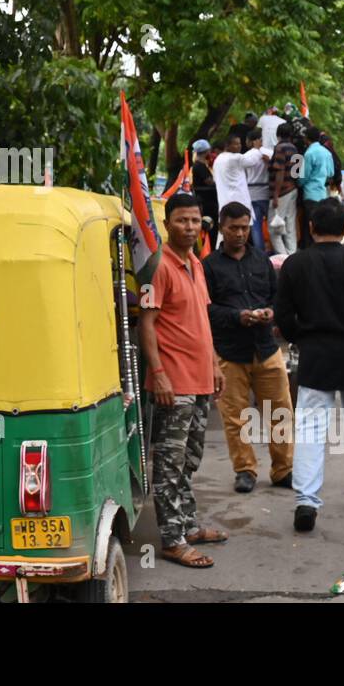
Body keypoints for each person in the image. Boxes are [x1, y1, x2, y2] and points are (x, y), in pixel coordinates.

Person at [275, 199, 344, 531]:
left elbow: (282, 316)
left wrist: (301, 338)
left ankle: (306, 501)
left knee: (310, 430)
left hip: (315, 356)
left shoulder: (295, 264)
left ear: (311, 228)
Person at [140, 193, 229, 568]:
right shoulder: (158, 266)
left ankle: (188, 524)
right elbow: (146, 324)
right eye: (182, 221)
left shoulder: (196, 262)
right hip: (172, 383)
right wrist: (158, 374)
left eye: (195, 221)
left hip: (200, 380)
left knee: (190, 459)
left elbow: (201, 321)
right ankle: (173, 540)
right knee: (168, 464)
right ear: (167, 223)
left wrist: (214, 364)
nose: (190, 227)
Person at [204, 201, 294, 493]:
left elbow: (277, 297)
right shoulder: (209, 267)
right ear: (222, 228)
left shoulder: (261, 261)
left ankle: (283, 470)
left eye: (244, 227)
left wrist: (271, 312)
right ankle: (245, 470)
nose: (240, 233)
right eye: (234, 228)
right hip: (229, 352)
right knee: (235, 416)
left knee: (279, 411)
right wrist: (236, 316)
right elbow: (205, 309)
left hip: (267, 349)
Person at [212, 127, 262, 217]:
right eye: (236, 144)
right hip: (238, 201)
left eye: (240, 143)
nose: (240, 146)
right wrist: (256, 148)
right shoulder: (234, 158)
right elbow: (251, 160)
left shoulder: (218, 159)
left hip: (224, 200)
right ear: (227, 146)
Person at [268, 122, 301, 255]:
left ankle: (282, 256)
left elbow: (279, 171)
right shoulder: (295, 149)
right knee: (289, 224)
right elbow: (297, 173)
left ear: (278, 135)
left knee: (274, 227)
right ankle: (292, 253)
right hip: (293, 190)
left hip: (281, 192)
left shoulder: (280, 148)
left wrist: (275, 196)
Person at [298, 126, 334, 248]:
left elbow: (304, 176)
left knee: (309, 227)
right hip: (322, 195)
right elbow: (330, 174)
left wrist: (298, 184)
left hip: (310, 194)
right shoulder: (327, 153)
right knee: (319, 225)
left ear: (307, 139)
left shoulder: (308, 153)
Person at [244, 128, 272, 253]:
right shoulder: (270, 153)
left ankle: (259, 253)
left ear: (252, 141)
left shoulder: (246, 156)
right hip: (267, 192)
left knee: (256, 226)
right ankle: (274, 250)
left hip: (252, 193)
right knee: (272, 224)